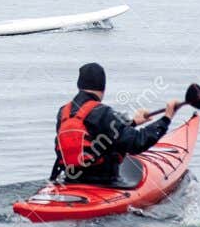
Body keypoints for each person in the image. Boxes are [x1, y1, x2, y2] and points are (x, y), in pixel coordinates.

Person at [52, 62, 180, 185]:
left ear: (79, 85)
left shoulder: (63, 112)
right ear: (103, 88)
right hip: (104, 183)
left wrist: (133, 122)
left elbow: (100, 134)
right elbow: (137, 142)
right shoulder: (103, 112)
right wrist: (166, 118)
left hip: (71, 180)